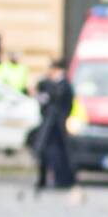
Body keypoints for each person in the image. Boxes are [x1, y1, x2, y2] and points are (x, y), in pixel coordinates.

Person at [33, 58, 75, 190]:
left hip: (57, 126)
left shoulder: (64, 85)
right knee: (46, 153)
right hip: (49, 125)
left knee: (57, 154)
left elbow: (59, 100)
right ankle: (45, 179)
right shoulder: (53, 84)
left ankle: (60, 179)